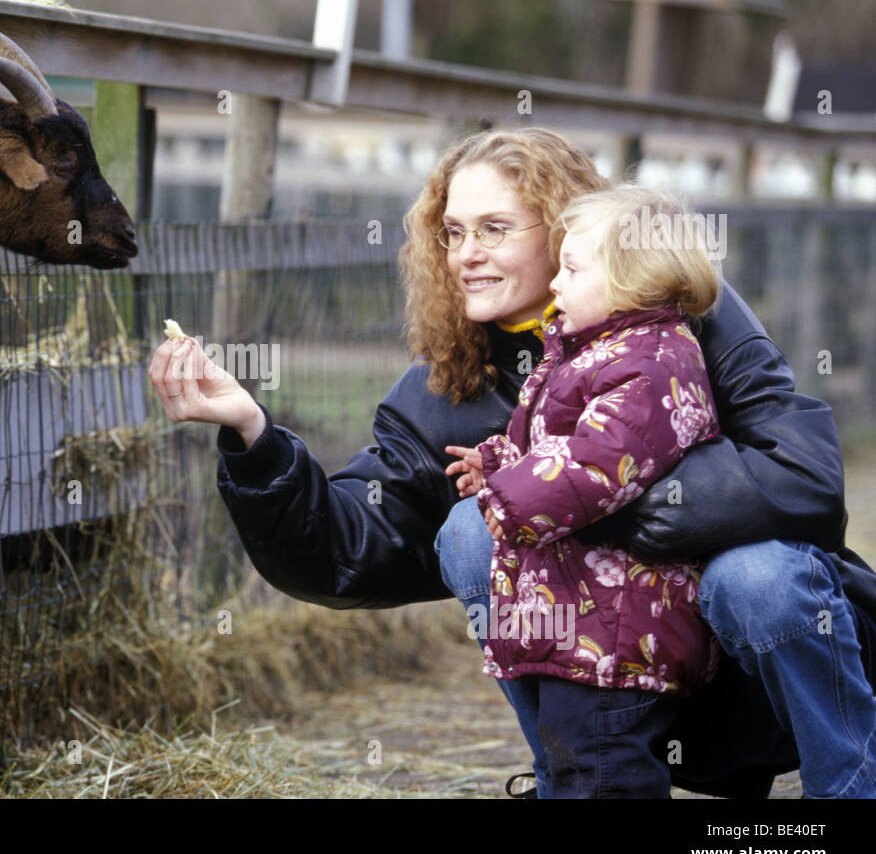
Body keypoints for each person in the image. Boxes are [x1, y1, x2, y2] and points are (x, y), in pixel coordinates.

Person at [147, 127, 876, 799]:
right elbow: (345, 553)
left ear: (564, 234)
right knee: (469, 533)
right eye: (454, 232)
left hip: (757, 677)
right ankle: (565, 774)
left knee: (757, 574)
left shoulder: (681, 321)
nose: (465, 253)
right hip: (607, 693)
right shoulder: (444, 390)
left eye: (495, 229)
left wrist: (593, 504)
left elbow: (804, 476)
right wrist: (251, 432)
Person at [444, 186, 723, 797]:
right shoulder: (594, 352)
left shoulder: (651, 364)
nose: (556, 285)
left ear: (634, 282)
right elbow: (553, 442)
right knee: (575, 759)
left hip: (615, 628)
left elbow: (594, 466)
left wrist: (504, 501)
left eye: (572, 270)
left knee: (601, 768)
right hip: (581, 618)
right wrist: (497, 462)